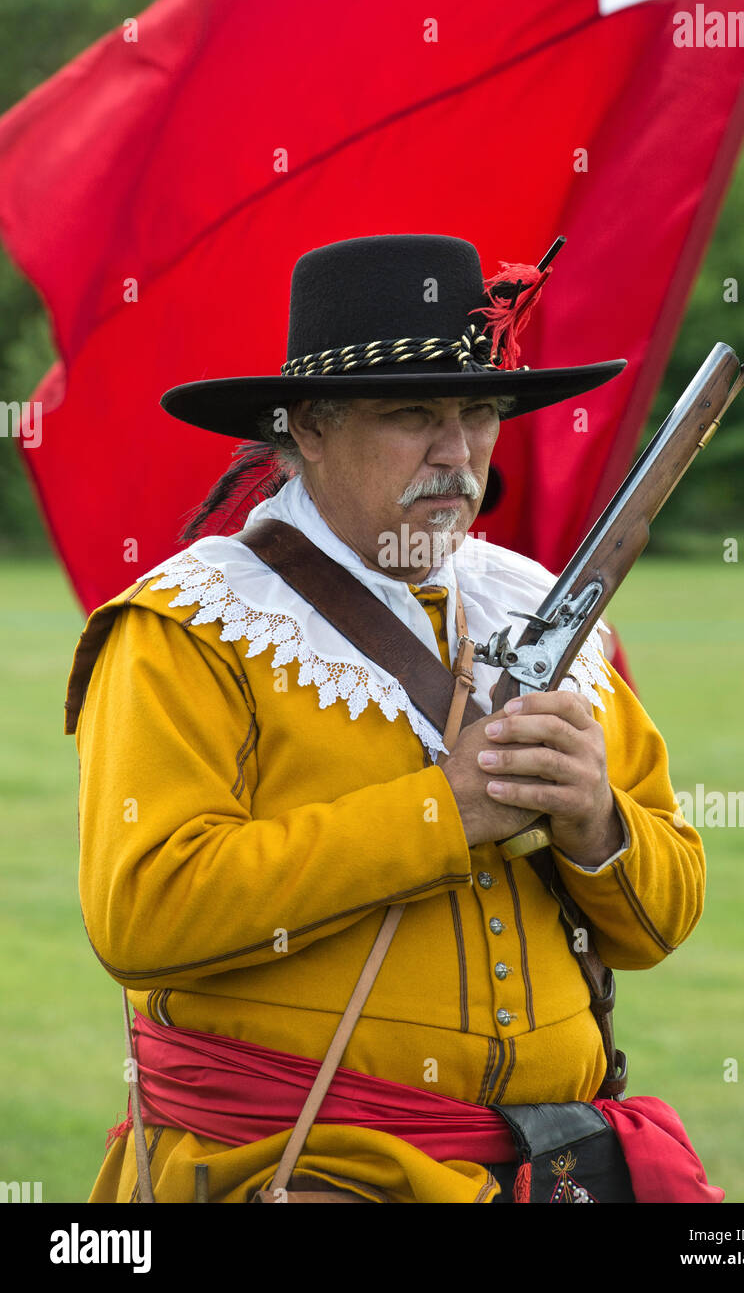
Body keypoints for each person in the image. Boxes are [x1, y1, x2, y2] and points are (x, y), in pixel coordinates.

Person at [65, 233, 706, 1204]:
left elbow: (661, 921)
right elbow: (144, 912)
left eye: (476, 412)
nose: (456, 452)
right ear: (310, 428)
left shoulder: (545, 609)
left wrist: (594, 824)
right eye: (412, 415)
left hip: (549, 1170)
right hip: (290, 1172)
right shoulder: (189, 627)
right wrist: (442, 813)